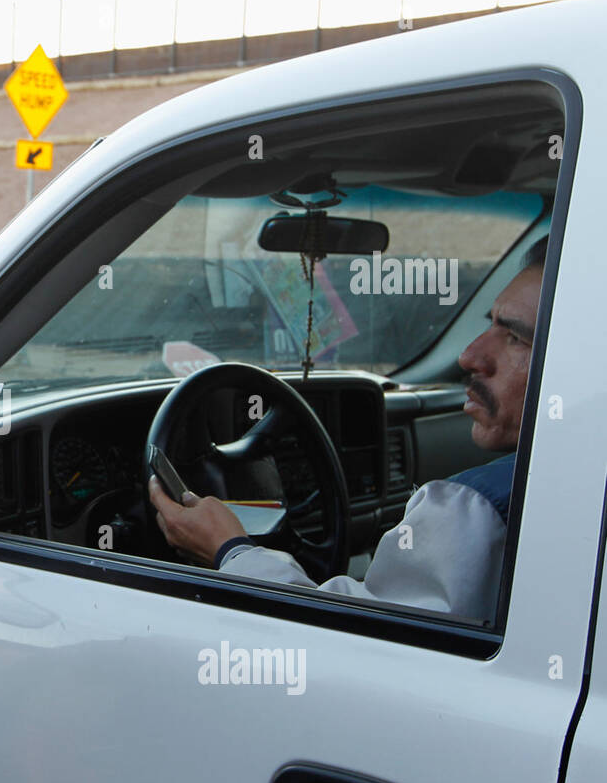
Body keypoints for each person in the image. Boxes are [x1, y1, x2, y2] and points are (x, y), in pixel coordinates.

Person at [148, 238, 547, 623]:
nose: (469, 356)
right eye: (489, 325)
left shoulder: (475, 513)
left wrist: (229, 549)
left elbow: (348, 641)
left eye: (515, 338)